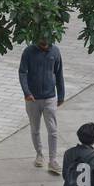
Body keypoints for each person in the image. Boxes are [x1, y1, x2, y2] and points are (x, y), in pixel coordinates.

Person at [19, 38, 65, 175]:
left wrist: (61, 95)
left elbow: (59, 73)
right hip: (32, 98)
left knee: (53, 130)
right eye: (42, 42)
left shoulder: (55, 51)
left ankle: (53, 160)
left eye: (47, 42)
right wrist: (27, 92)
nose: (45, 44)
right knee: (35, 128)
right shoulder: (28, 52)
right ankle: (39, 154)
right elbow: (22, 72)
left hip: (50, 97)